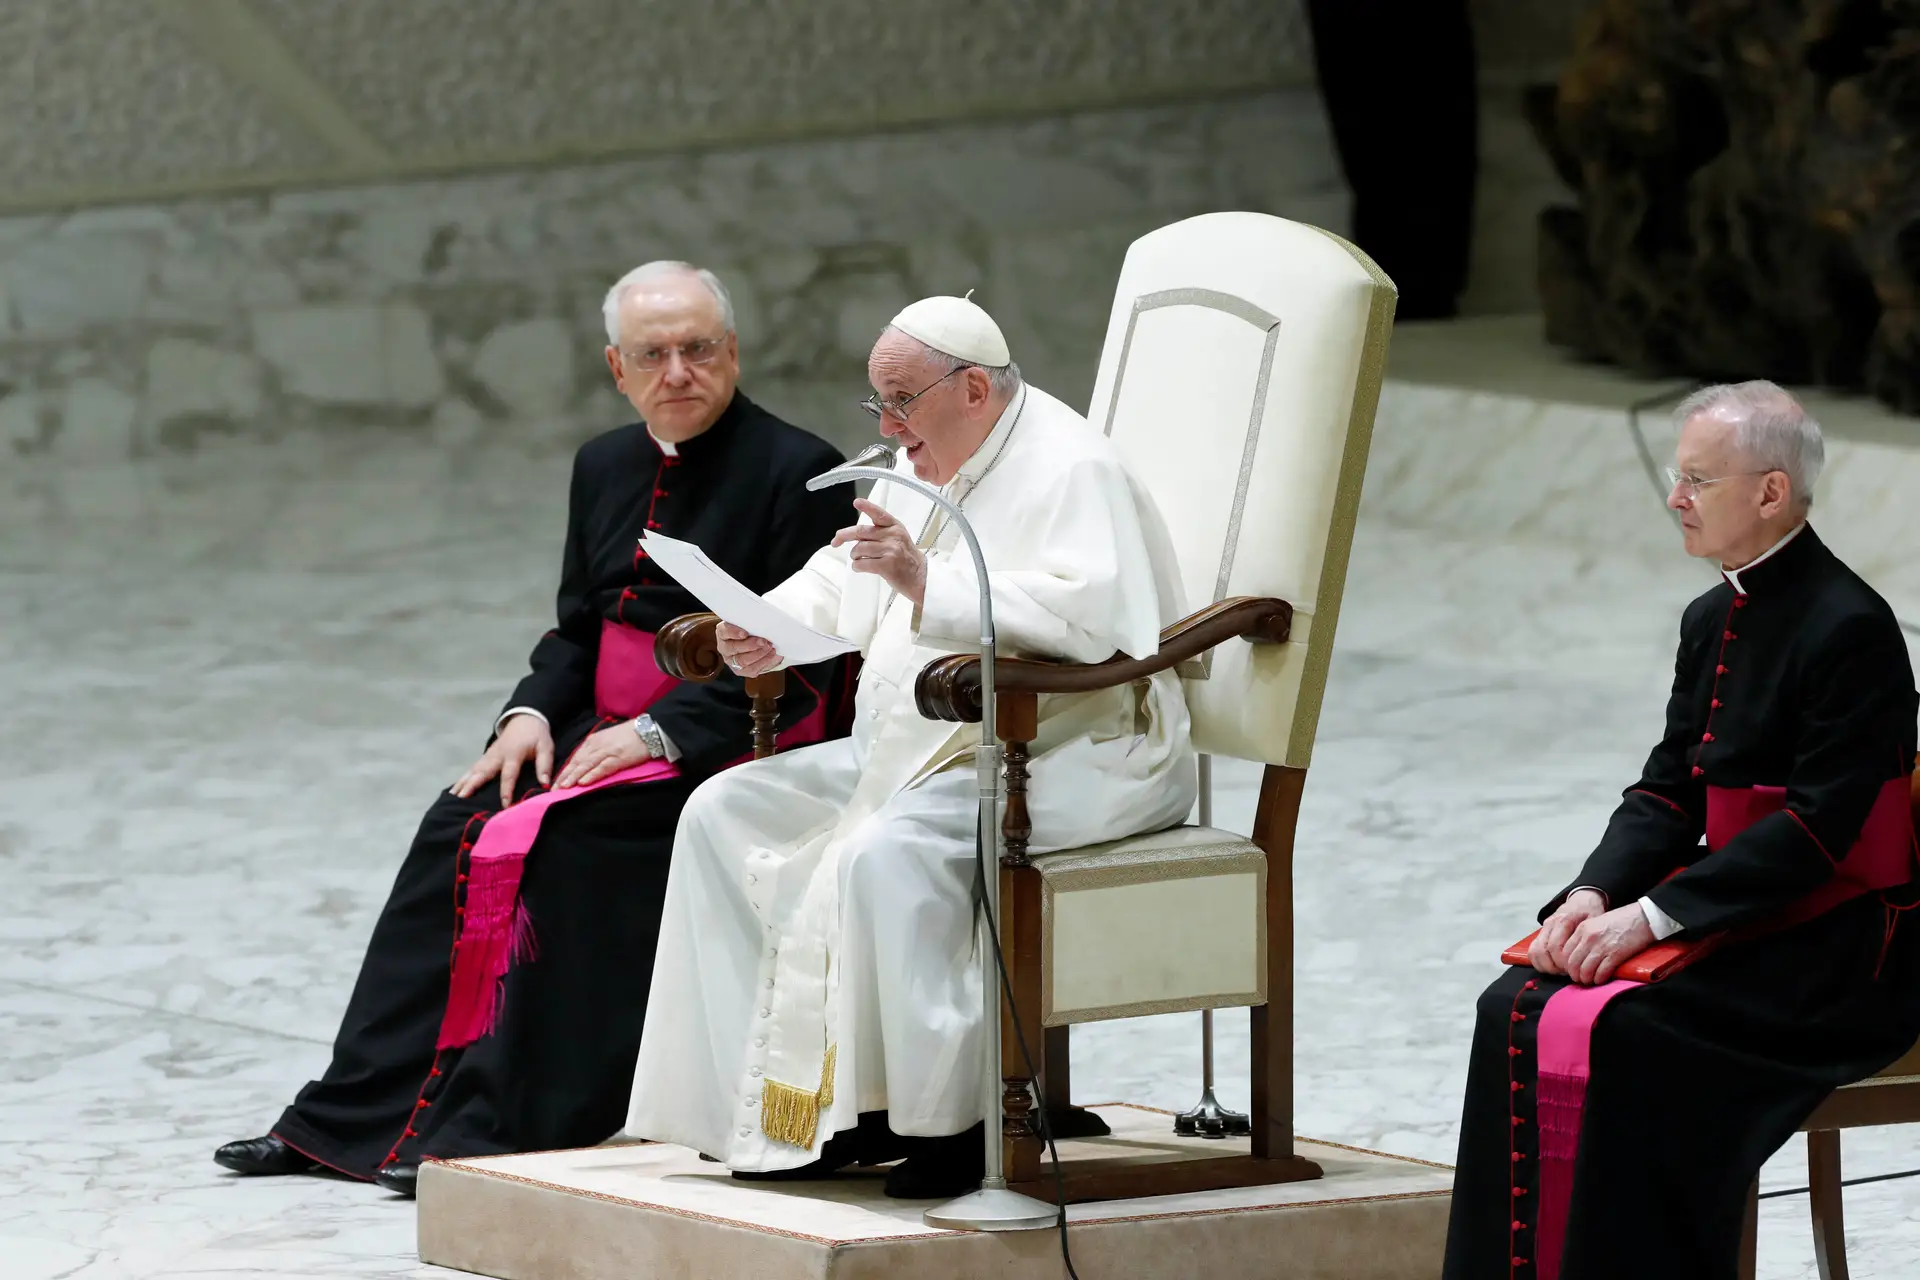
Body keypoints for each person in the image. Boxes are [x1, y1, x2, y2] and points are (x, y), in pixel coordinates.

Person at [214, 262, 853, 1197]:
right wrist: (525, 718)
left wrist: (658, 734)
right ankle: (341, 1121)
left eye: (698, 348)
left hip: (733, 737)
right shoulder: (603, 464)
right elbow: (579, 627)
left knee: (563, 845)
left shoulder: (797, 468)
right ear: (616, 368)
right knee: (457, 825)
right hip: (599, 726)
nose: (678, 370)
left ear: (733, 353)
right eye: (653, 354)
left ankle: (489, 1125)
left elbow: (812, 656)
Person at [623, 295, 1196, 1198]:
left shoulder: (1073, 469)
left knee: (886, 855)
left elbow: (1093, 629)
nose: (888, 427)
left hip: (1065, 747)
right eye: (876, 404)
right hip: (925, 743)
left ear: (973, 388)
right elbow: (845, 573)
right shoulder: (925, 454)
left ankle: (948, 1124)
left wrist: (929, 581)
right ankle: (806, 1109)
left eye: (899, 401)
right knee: (721, 811)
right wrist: (770, 629)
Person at [1444, 382, 1920, 1279]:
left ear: (1771, 492)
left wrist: (1652, 919)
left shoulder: (1851, 626)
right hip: (1742, 909)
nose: (1675, 498)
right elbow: (1669, 794)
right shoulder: (1712, 617)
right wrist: (1593, 895)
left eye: (1698, 479)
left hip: (1843, 945)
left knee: (1631, 1033)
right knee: (1509, 1005)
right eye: (1678, 476)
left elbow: (1817, 833)